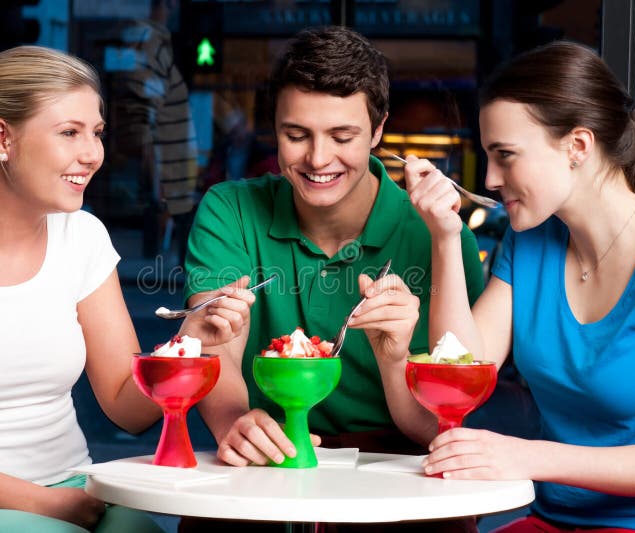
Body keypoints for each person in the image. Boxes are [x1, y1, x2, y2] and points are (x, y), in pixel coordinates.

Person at [0, 45, 253, 533]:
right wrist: (44, 505)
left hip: (74, 488)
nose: (93, 154)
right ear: (2, 138)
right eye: (69, 133)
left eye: (97, 133)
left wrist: (190, 341)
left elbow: (126, 406)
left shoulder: (81, 235)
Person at [182, 26, 485, 532]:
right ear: (274, 126)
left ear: (379, 129)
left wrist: (395, 357)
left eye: (342, 137)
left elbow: (440, 424)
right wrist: (234, 422)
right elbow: (216, 345)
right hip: (266, 458)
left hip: (399, 473)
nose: (318, 159)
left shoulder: (436, 234)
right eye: (296, 135)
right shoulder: (229, 210)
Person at [407, 41, 635, 531]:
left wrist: (528, 457)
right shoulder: (531, 240)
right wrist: (446, 238)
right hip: (551, 519)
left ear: (578, 146)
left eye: (506, 156)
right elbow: (460, 371)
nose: (491, 178)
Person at [111, 0, 199, 262]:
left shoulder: (161, 41)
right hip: (152, 130)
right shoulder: (144, 37)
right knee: (159, 191)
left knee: (171, 194)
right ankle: (161, 245)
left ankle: (167, 245)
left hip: (167, 130)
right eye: (168, 5)